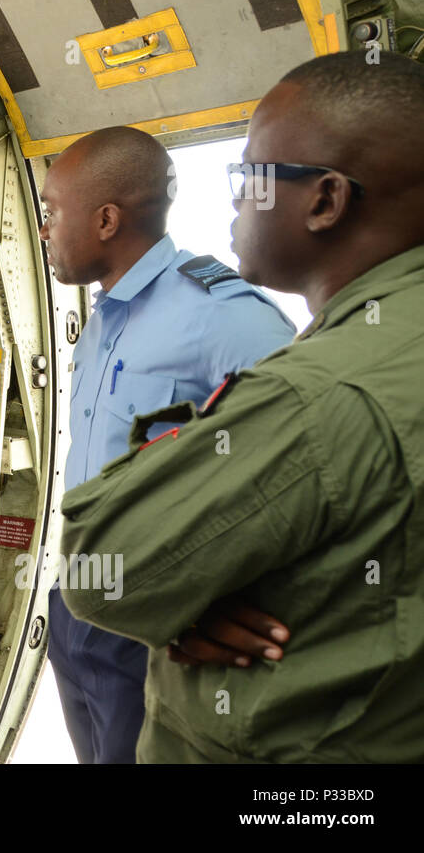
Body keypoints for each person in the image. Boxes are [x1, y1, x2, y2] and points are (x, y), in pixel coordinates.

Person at [60, 50, 424, 762]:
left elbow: (103, 563)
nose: (233, 200)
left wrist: (178, 589)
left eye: (251, 176)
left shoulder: (316, 387)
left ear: (325, 200)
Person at [39, 126, 295, 763]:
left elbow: (294, 468)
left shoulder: (226, 317)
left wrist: (224, 596)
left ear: (105, 219)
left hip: (157, 619)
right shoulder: (104, 314)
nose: (43, 228)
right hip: (77, 606)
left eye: (51, 211)